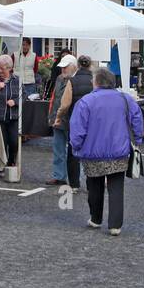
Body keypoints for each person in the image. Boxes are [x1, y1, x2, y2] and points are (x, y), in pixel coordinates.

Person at [70, 68, 143, 236]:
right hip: (119, 151)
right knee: (116, 187)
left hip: (92, 152)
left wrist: (76, 146)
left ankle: (96, 218)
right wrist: (137, 140)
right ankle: (115, 225)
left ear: (96, 82)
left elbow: (77, 128)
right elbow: (137, 118)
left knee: (94, 186)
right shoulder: (125, 99)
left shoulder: (86, 101)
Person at [45, 54, 84, 188]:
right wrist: (52, 116)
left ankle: (73, 178)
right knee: (58, 149)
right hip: (59, 119)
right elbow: (55, 98)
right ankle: (59, 176)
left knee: (73, 152)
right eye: (62, 67)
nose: (62, 70)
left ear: (73, 67)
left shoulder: (75, 81)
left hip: (71, 120)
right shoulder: (60, 79)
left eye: (65, 67)